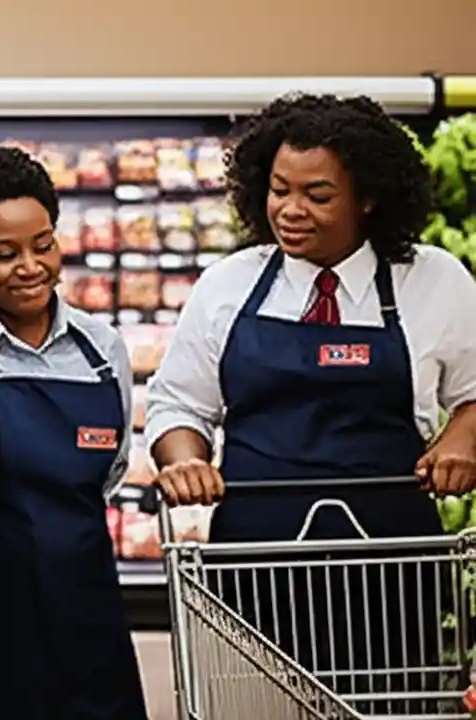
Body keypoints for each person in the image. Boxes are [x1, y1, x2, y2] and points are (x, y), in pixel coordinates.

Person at [147, 93, 476, 703]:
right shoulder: (229, 285)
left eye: (318, 196)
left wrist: (460, 441)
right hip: (254, 575)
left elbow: (474, 396)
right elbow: (177, 406)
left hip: (393, 572)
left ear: (369, 197)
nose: (290, 211)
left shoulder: (434, 281)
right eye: (278, 190)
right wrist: (185, 459)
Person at [0, 147, 148, 720]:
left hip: (88, 607)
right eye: (5, 254)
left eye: (43, 245)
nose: (30, 266)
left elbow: (110, 474)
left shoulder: (101, 351)